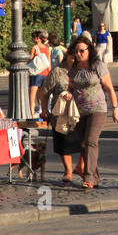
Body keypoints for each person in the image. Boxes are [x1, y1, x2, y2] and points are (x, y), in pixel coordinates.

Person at [60, 33, 118, 188]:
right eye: (76, 51)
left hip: (98, 109)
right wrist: (67, 95)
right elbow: (70, 88)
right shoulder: (73, 68)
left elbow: (109, 88)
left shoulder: (97, 65)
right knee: (83, 144)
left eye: (82, 51)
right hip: (79, 110)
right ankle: (95, 176)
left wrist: (115, 109)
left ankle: (88, 178)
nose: (79, 54)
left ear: (89, 50)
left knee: (91, 142)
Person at [38, 48, 83, 184]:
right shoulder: (57, 71)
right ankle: (68, 171)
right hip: (61, 112)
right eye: (72, 57)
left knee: (86, 141)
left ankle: (81, 166)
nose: (75, 60)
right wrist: (45, 110)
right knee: (64, 141)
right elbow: (44, 92)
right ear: (67, 57)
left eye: (77, 58)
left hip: (80, 111)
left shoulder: (84, 70)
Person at [27, 30, 52, 115]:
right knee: (42, 96)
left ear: (37, 38)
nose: (32, 40)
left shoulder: (34, 48)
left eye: (33, 38)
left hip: (36, 73)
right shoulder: (47, 48)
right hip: (45, 73)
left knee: (32, 95)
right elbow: (49, 62)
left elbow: (30, 59)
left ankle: (32, 113)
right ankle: (44, 113)